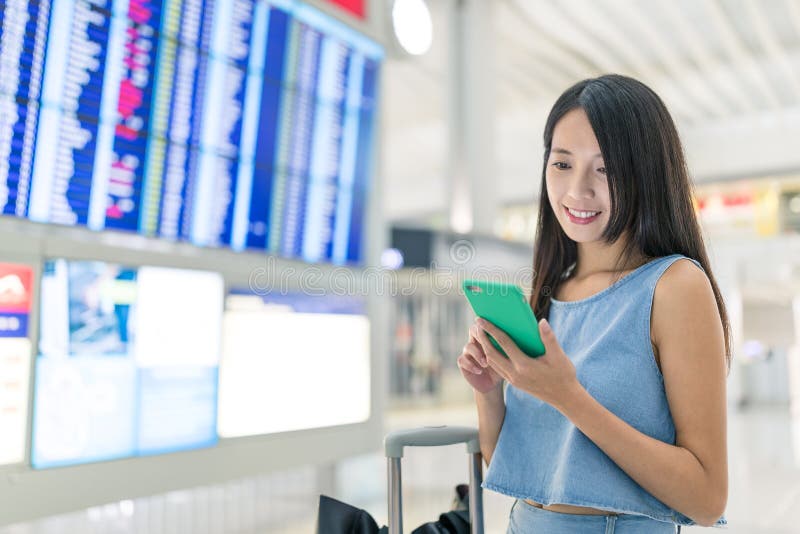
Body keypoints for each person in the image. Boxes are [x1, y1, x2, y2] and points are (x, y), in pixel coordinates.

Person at [457, 75, 729, 533]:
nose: (577, 190)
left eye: (605, 169)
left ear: (647, 174)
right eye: (562, 164)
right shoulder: (551, 290)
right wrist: (489, 392)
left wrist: (567, 396)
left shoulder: (674, 286)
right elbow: (527, 472)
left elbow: (706, 498)